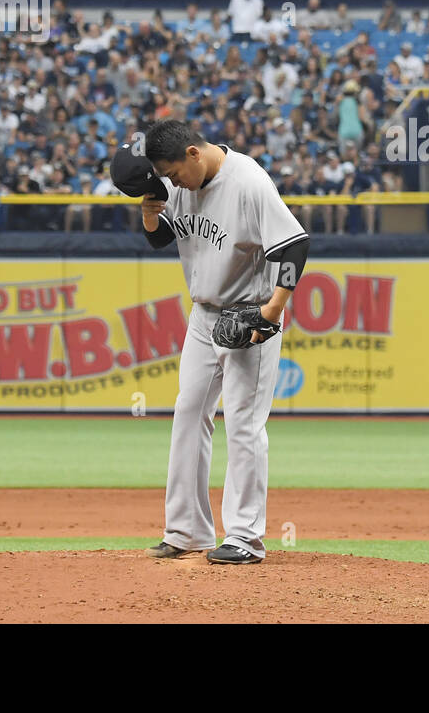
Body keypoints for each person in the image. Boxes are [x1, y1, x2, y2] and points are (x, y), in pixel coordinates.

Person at [123, 120, 310, 564]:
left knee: (243, 423)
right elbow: (167, 236)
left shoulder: (248, 182)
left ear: (194, 153)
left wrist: (272, 313)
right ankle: (186, 530)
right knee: (189, 413)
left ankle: (245, 536)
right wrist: (150, 214)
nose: (172, 183)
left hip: (249, 316)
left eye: (173, 173)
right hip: (203, 318)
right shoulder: (183, 182)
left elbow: (295, 246)